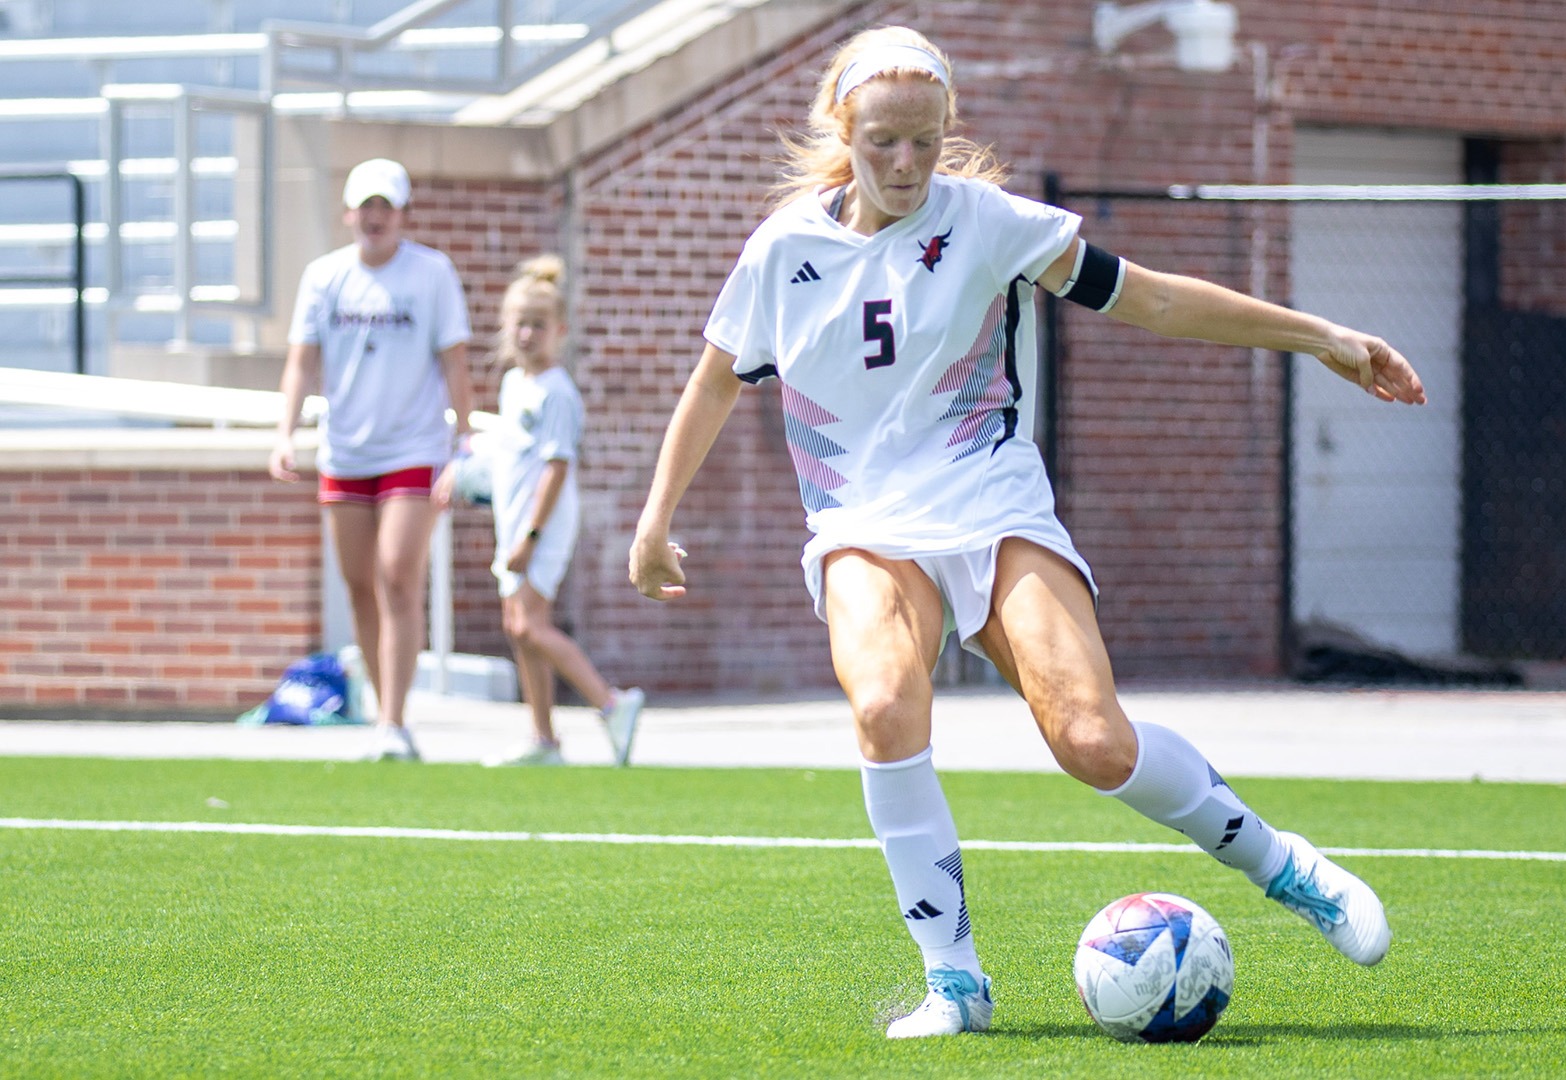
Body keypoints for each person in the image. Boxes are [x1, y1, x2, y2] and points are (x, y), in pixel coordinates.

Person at [626, 27, 1427, 1038]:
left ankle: (1285, 865)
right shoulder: (784, 251)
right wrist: (655, 519)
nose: (906, 165)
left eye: (925, 141)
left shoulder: (992, 224)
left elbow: (1158, 302)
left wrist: (1324, 338)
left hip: (991, 504)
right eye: (883, 143)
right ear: (844, 128)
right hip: (864, 527)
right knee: (881, 703)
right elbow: (712, 386)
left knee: (1092, 741)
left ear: (948, 128)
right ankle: (954, 982)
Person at [270, 157, 475, 763]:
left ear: (404, 213)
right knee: (359, 583)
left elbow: (455, 362)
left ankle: (394, 719)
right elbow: (302, 360)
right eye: (366, 206)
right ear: (348, 213)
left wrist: (463, 442)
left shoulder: (432, 273)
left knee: (396, 573)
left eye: (386, 205)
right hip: (345, 449)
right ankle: (384, 717)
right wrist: (284, 431)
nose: (375, 217)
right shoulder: (324, 276)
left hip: (413, 445)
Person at [434, 255, 646, 767]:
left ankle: (612, 703)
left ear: (559, 330)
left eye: (537, 325)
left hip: (541, 524)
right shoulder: (514, 385)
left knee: (529, 624)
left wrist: (529, 535)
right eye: (519, 324)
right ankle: (543, 737)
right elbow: (509, 454)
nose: (526, 335)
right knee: (518, 623)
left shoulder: (557, 394)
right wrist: (463, 469)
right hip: (513, 518)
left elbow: (554, 469)